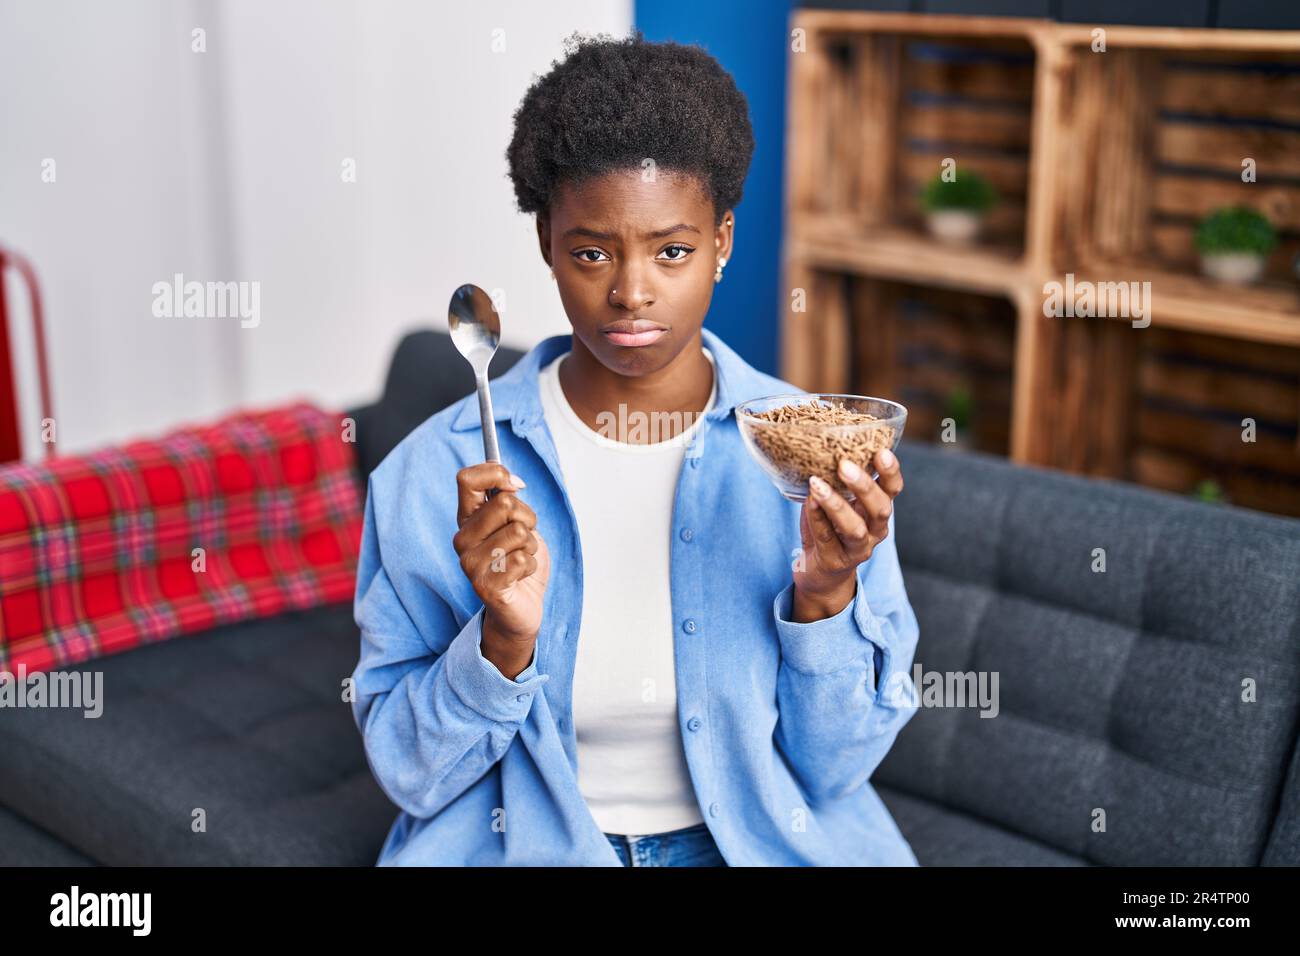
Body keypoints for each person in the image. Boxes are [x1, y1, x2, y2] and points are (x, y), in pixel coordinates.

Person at [350, 29, 921, 867]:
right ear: (546, 241)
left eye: (673, 251)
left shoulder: (816, 455)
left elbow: (836, 770)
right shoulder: (432, 475)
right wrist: (500, 643)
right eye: (591, 252)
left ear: (722, 242)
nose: (631, 293)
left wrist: (828, 595)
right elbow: (412, 777)